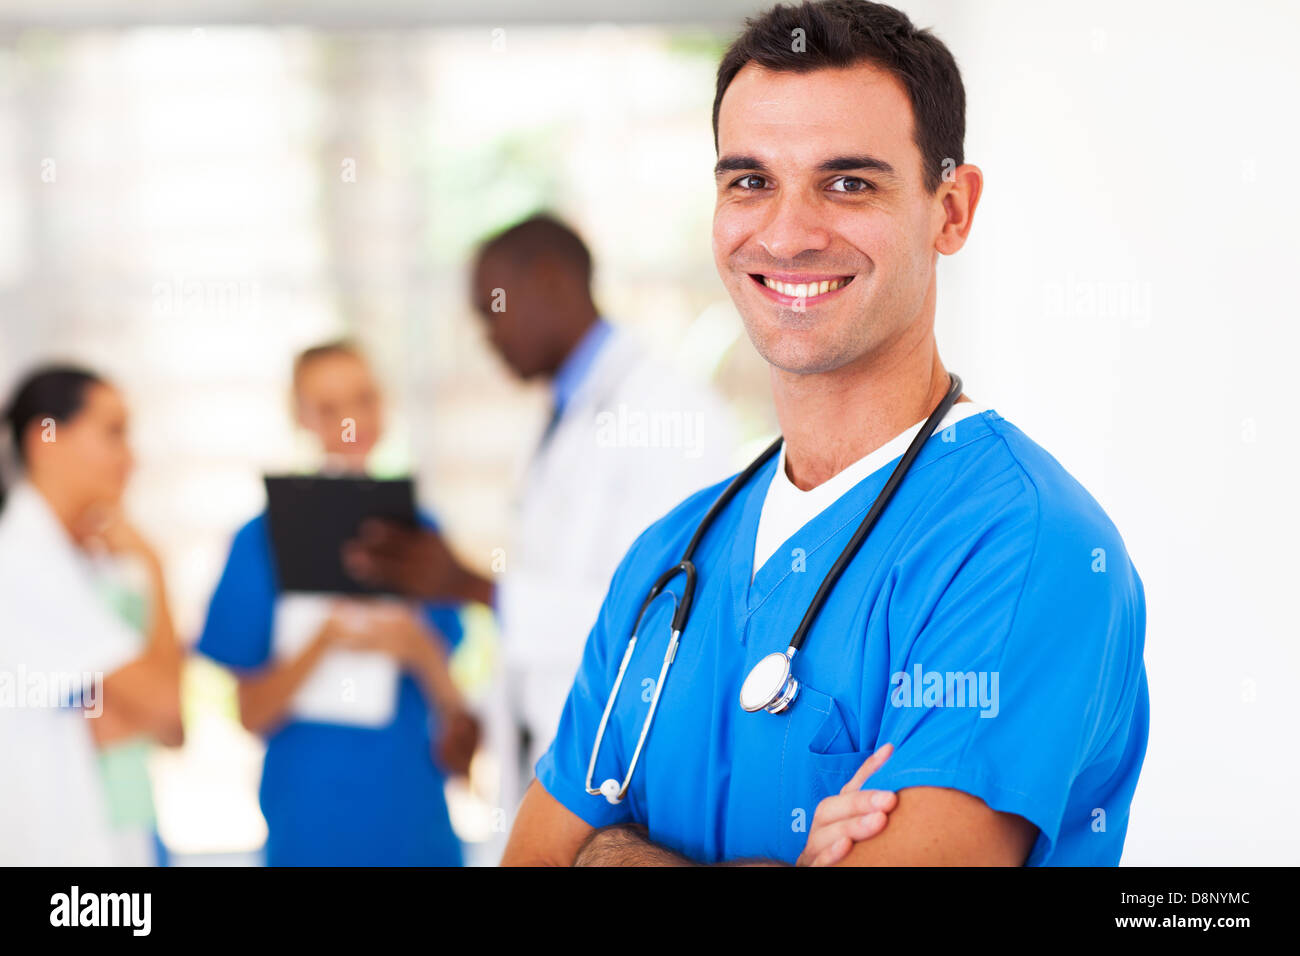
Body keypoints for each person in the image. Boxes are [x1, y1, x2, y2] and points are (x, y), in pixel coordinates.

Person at [491, 0, 1149, 866]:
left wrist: (611, 855)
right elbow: (531, 859)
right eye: (751, 181)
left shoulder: (1027, 549)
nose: (789, 233)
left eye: (849, 183)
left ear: (950, 210)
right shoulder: (669, 558)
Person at [344, 215, 738, 827]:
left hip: (630, 786)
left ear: (550, 280)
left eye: (492, 309)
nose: (486, 336)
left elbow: (666, 617)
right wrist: (485, 713)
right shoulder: (564, 414)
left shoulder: (669, 412)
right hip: (558, 763)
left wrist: (470, 585)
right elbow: (560, 595)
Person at [196, 342, 476, 866]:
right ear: (300, 418)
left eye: (364, 399)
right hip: (309, 821)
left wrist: (417, 647)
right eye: (328, 408)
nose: (351, 421)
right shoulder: (260, 542)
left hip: (413, 822)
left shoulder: (423, 536)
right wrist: (325, 639)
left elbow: (457, 717)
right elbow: (252, 712)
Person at [0, 366, 183, 865]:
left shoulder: (81, 564)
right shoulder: (22, 565)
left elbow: (170, 730)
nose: (131, 457)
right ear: (47, 438)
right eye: (113, 433)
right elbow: (166, 704)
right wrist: (155, 566)